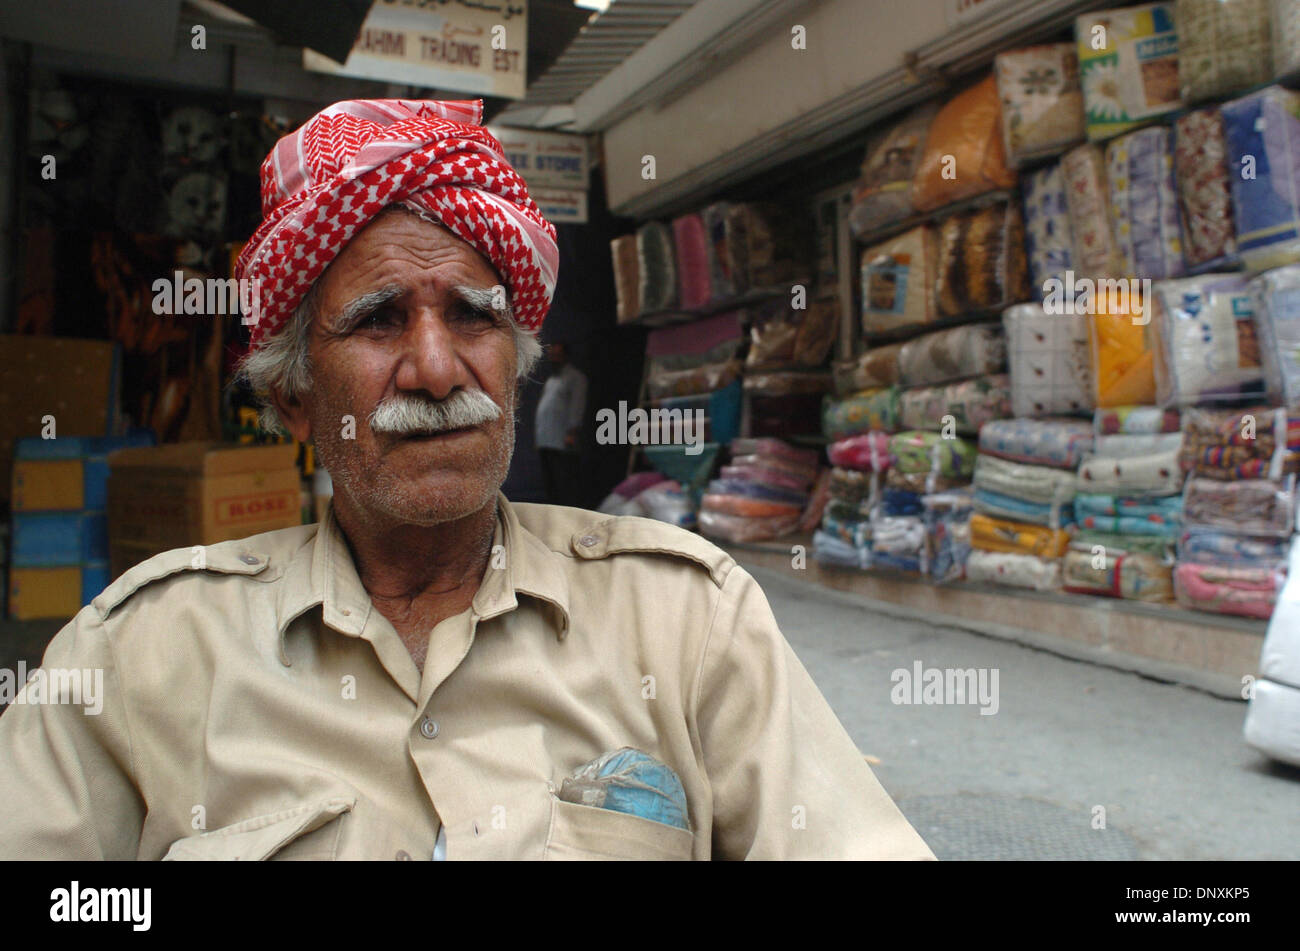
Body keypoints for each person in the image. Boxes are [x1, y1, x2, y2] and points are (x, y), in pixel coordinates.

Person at [0, 99, 933, 861]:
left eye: (472, 318)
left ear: (515, 360)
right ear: (293, 396)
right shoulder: (139, 656)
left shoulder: (690, 621)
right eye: (377, 320)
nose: (438, 369)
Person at [534, 341, 587, 507]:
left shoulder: (575, 377)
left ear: (565, 356)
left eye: (557, 355)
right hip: (546, 438)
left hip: (562, 439)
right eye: (552, 355)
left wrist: (572, 431)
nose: (554, 359)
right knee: (550, 482)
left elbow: (577, 405)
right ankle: (553, 510)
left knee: (564, 481)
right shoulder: (552, 380)